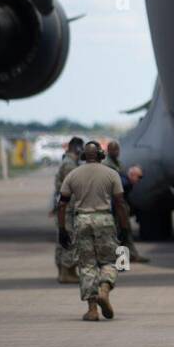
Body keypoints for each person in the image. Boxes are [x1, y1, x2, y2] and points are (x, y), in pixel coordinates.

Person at [57, 140, 131, 321]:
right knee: (111, 261)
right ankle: (104, 290)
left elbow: (62, 204)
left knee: (87, 265)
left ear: (83, 156)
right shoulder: (111, 174)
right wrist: (124, 227)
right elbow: (120, 203)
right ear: (100, 155)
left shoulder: (73, 174)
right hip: (105, 219)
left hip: (81, 220)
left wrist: (62, 229)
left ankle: (92, 310)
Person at [104, 140, 149, 263]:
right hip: (114, 206)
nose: (116, 152)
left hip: (120, 206)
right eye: (113, 150)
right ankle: (119, 260)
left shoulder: (117, 164)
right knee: (118, 232)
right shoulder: (107, 165)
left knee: (125, 232)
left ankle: (129, 256)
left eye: (117, 150)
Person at [51, 137, 84, 283]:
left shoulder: (67, 162)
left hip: (64, 206)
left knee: (63, 238)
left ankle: (63, 272)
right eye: (81, 148)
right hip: (69, 207)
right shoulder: (70, 165)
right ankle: (67, 273)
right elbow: (72, 187)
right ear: (77, 148)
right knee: (69, 239)